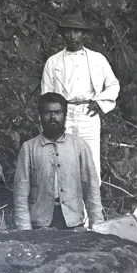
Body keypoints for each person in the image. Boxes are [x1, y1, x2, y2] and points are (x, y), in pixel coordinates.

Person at [40, 13, 119, 177]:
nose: (72, 36)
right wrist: (52, 117)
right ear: (63, 34)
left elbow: (113, 84)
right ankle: (66, 201)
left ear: (83, 34)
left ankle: (91, 202)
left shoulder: (97, 59)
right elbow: (46, 94)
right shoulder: (53, 62)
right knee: (62, 159)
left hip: (87, 114)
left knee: (90, 162)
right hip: (63, 115)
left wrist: (99, 103)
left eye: (77, 31)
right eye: (68, 31)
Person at [11, 93, 104, 231]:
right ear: (40, 117)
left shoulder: (79, 146)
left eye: (58, 112)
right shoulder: (29, 148)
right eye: (48, 113)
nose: (53, 117)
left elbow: (91, 189)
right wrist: (25, 230)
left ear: (65, 116)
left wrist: (97, 227)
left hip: (73, 223)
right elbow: (21, 193)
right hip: (40, 224)